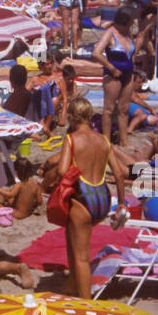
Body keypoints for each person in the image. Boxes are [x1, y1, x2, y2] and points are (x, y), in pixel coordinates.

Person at [54, 97, 128, 300]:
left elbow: (61, 171)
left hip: (83, 201)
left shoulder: (71, 139)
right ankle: (71, 284)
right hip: (102, 200)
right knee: (72, 235)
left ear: (72, 116)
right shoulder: (103, 140)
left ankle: (86, 304)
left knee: (82, 257)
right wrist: (121, 202)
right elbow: (120, 174)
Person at [93, 8, 138, 143]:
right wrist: (111, 68)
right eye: (132, 20)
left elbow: (132, 53)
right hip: (113, 75)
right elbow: (96, 53)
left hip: (128, 74)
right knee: (109, 109)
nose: (133, 22)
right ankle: (106, 141)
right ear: (125, 20)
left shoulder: (128, 33)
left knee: (124, 109)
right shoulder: (110, 33)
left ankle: (123, 141)